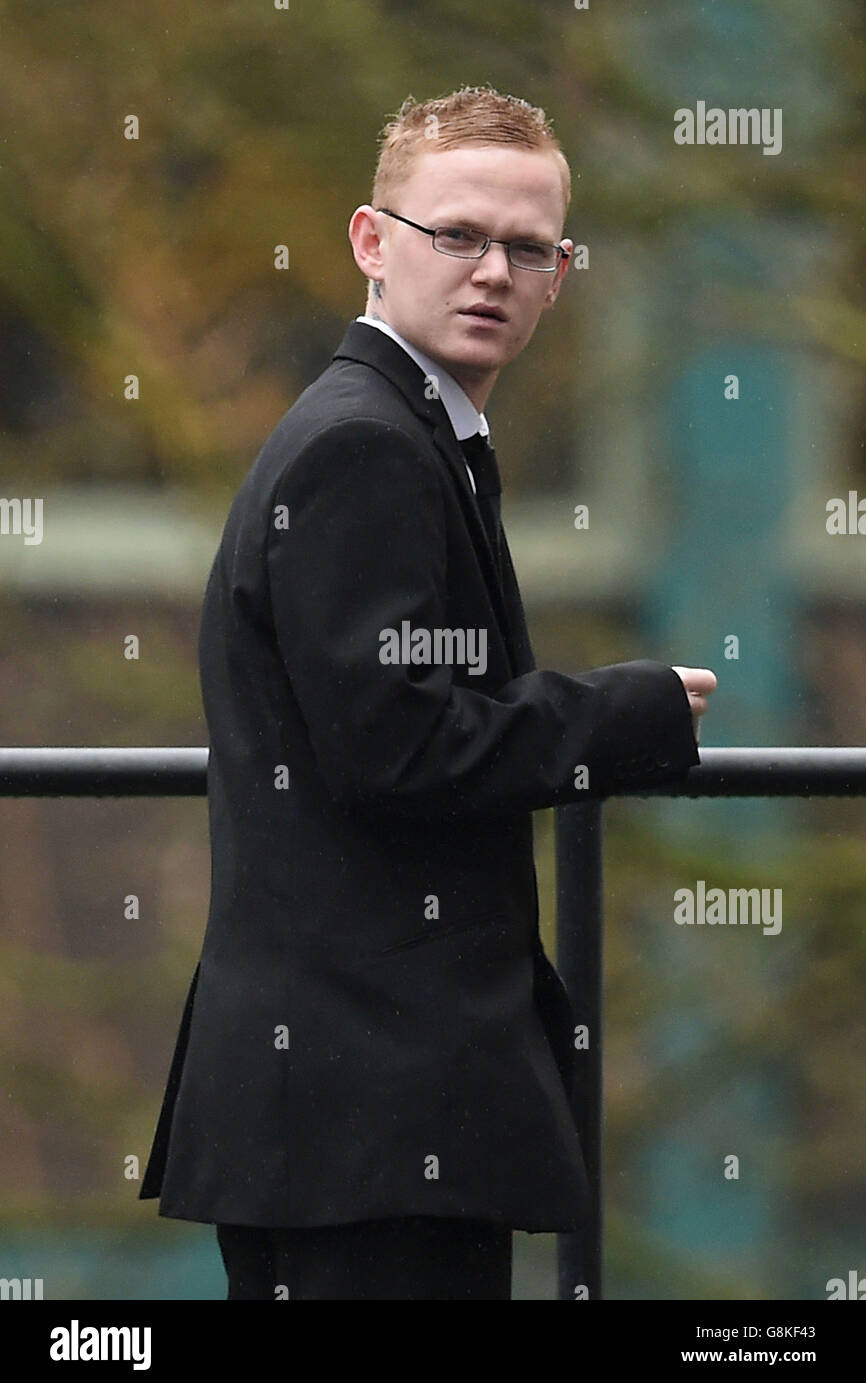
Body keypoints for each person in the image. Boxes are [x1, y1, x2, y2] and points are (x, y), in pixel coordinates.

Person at [139, 84, 717, 1300]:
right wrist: (629, 713)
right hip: (370, 1119)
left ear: (561, 272)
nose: (491, 271)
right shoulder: (367, 448)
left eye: (526, 248)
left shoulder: (399, 433)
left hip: (360, 1114)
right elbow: (401, 746)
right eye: (455, 235)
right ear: (369, 240)